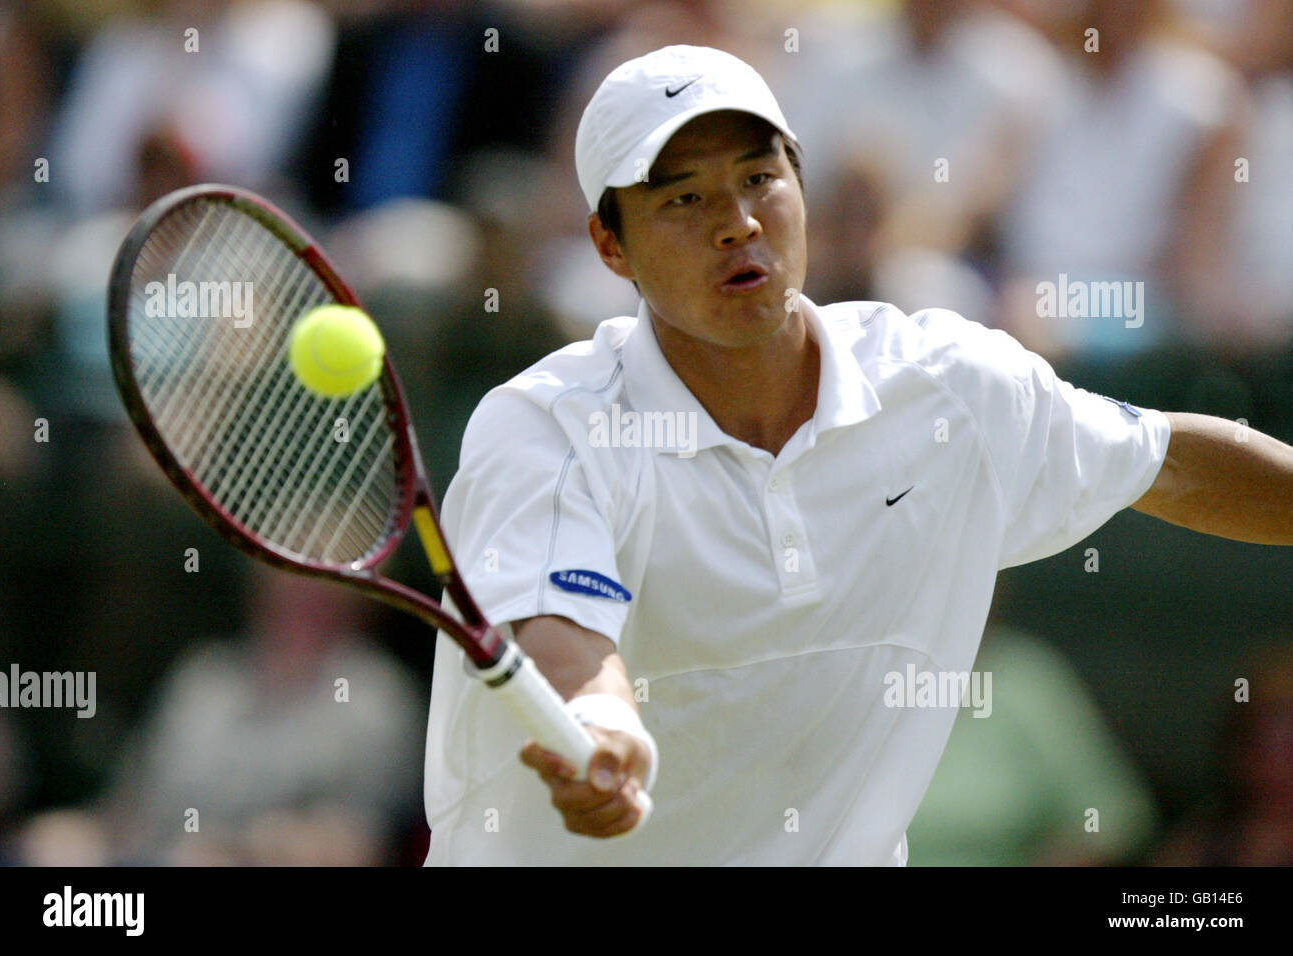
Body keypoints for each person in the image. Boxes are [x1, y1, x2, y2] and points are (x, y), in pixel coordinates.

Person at [422, 45, 1293, 866]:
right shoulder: (548, 426)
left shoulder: (949, 387)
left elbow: (1169, 461)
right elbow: (561, 630)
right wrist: (602, 721)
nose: (737, 223)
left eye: (760, 179)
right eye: (682, 198)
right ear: (610, 245)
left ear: (802, 185)